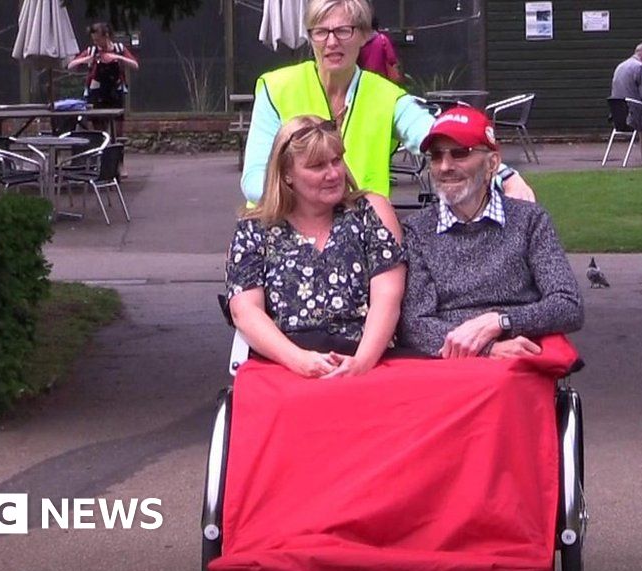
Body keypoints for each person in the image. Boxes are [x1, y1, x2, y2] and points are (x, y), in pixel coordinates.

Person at [240, 0, 535, 204]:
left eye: (344, 30)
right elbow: (253, 180)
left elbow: (439, 135)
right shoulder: (276, 88)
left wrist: (503, 175)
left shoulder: (386, 95)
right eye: (321, 31)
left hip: (363, 232)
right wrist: (318, 200)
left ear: (365, 36)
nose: (332, 42)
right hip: (284, 227)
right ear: (311, 37)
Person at [225, 115, 406, 379]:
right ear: (286, 174)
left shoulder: (370, 212)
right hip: (285, 363)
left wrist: (361, 363)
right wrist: (299, 361)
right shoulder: (254, 229)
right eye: (317, 166)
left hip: (366, 357)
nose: (333, 174)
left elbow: (388, 297)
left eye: (336, 160)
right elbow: (245, 311)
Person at [398, 107, 584, 359]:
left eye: (460, 153)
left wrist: (500, 321)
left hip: (519, 355)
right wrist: (487, 349)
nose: (445, 166)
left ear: (492, 163)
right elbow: (415, 325)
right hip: (452, 366)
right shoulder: (417, 230)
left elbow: (568, 305)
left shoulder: (530, 220)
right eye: (436, 156)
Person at [67, 22, 139, 137]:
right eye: (94, 40)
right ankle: (102, 150)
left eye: (98, 40)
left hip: (115, 92)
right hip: (97, 93)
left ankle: (116, 150)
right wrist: (85, 60)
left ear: (106, 36)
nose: (96, 43)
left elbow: (135, 65)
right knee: (99, 130)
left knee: (117, 129)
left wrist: (117, 57)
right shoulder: (92, 51)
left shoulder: (118, 49)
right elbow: (70, 65)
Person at [357, 16, 402, 83]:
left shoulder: (356, 42)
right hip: (381, 80)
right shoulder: (382, 40)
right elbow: (391, 60)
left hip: (361, 80)